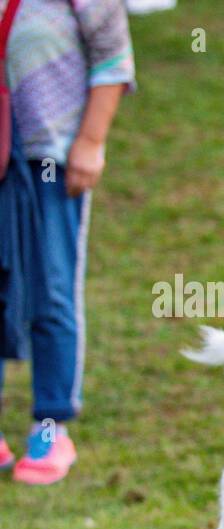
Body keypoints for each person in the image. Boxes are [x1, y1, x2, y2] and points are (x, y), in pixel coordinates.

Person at [0, 0, 133, 484]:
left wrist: (91, 143)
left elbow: (113, 61)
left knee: (51, 288)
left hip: (52, 159)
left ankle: (51, 428)